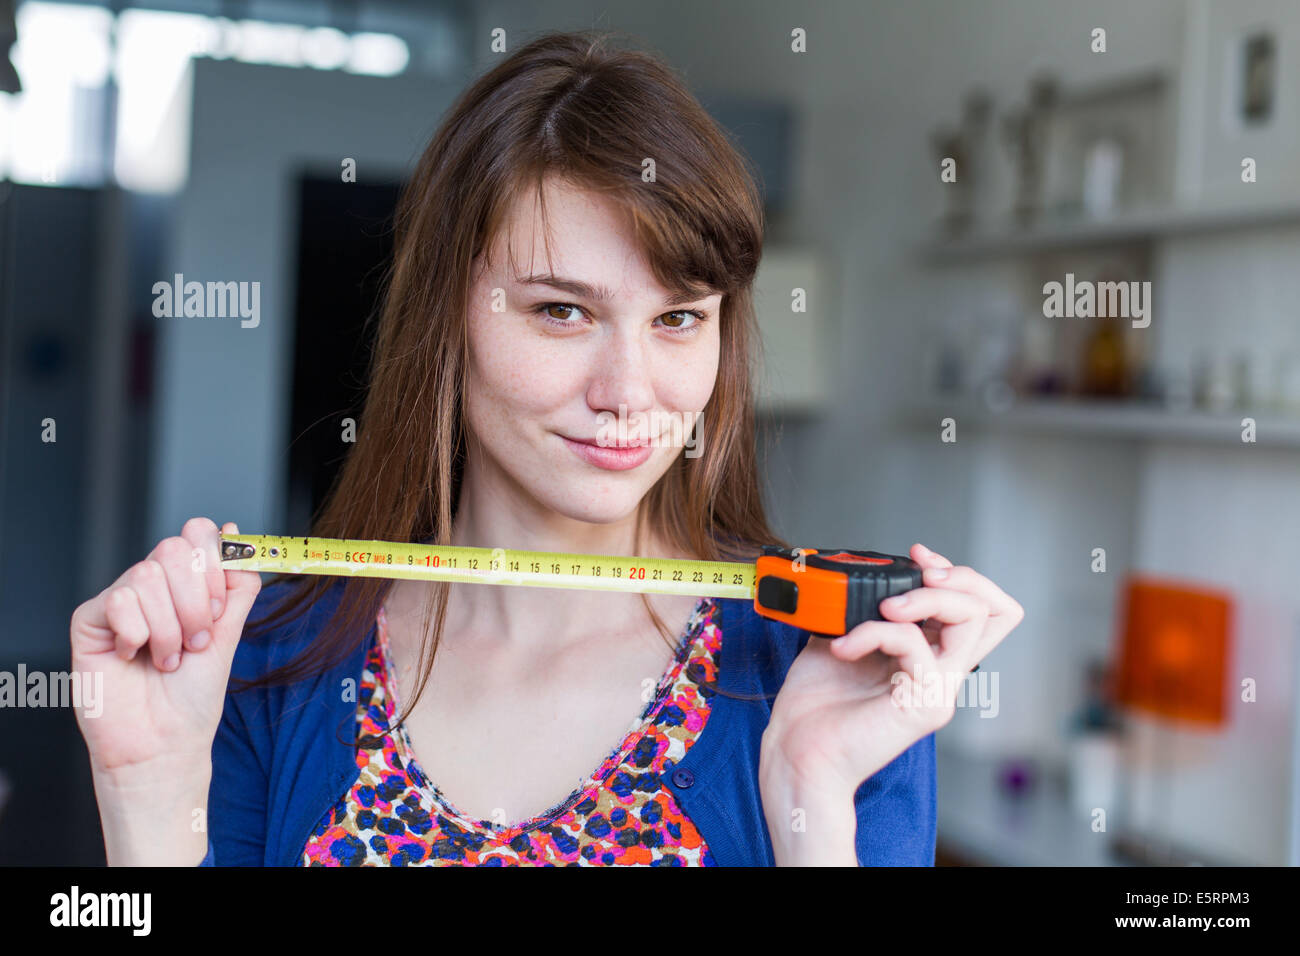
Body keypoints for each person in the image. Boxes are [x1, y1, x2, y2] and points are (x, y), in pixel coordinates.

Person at [70, 30, 1023, 867]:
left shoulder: (832, 679)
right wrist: (148, 802)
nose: (629, 392)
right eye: (562, 311)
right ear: (448, 318)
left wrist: (809, 796)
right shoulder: (266, 663)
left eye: (679, 318)